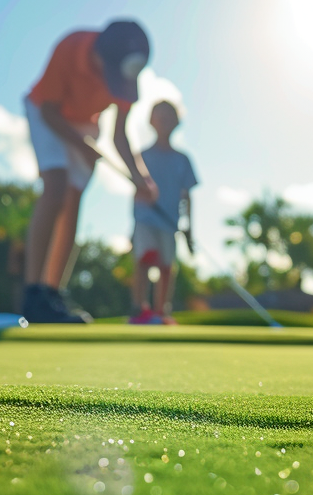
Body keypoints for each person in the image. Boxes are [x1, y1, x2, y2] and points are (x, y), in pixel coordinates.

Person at [21, 21, 158, 323]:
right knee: (56, 186)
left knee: (73, 200)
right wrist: (81, 145)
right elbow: (49, 112)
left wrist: (141, 179)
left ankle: (52, 293)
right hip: (46, 111)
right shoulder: (71, 46)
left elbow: (120, 135)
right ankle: (32, 293)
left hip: (86, 124)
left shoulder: (127, 76)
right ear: (99, 52)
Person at [129, 102, 197, 325]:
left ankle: (161, 312)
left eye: (169, 116)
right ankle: (140, 309)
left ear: (177, 121)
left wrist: (189, 228)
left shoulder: (183, 159)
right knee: (145, 259)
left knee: (167, 267)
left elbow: (187, 196)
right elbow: (136, 192)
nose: (164, 121)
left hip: (170, 223)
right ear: (151, 121)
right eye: (159, 116)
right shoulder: (141, 157)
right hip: (146, 219)